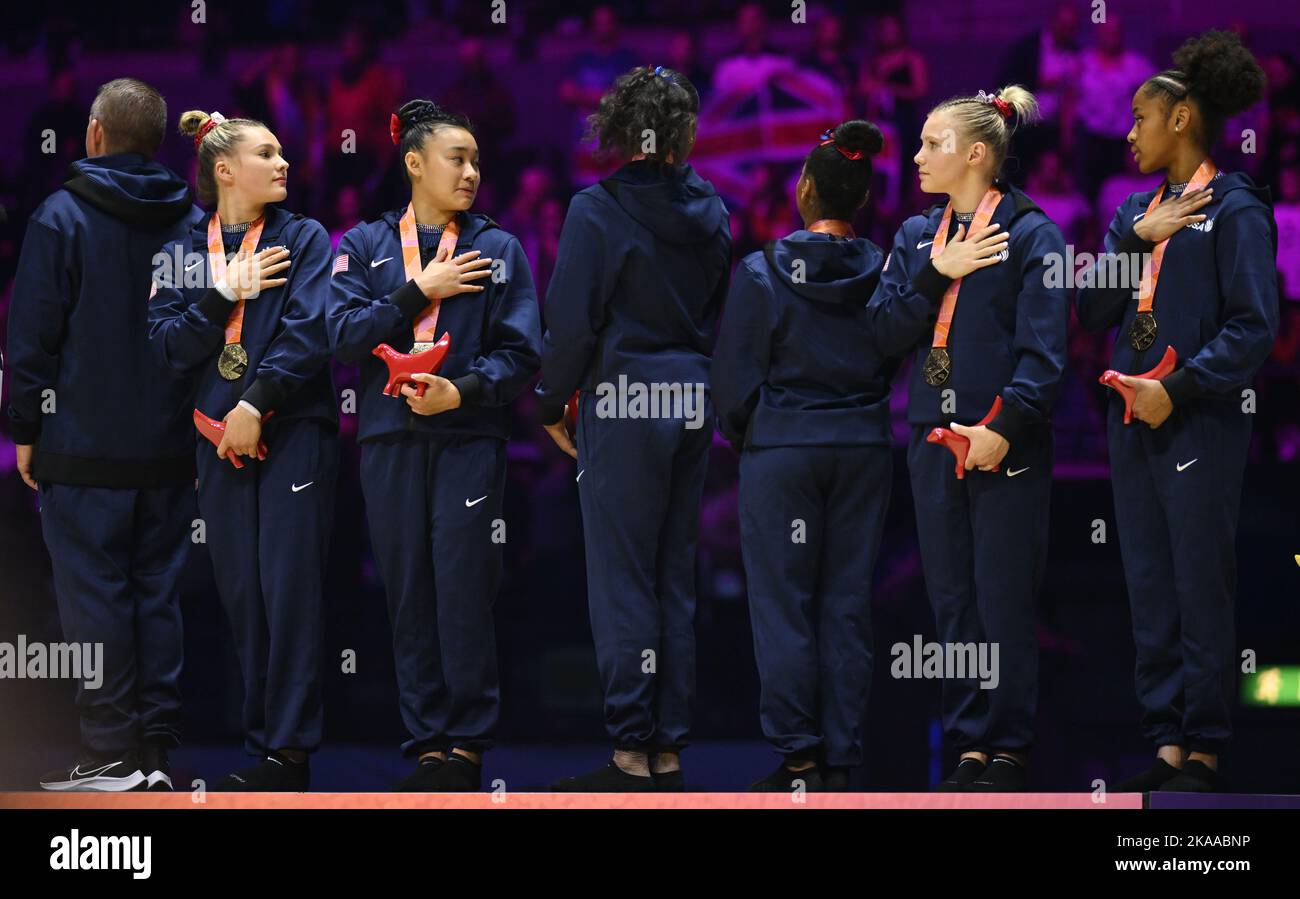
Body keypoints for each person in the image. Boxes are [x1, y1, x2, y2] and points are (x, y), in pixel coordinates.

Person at [1076, 31, 1276, 793]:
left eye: (1140, 119)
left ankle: (1205, 746)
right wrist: (1131, 237)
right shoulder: (1133, 209)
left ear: (1184, 117)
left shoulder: (1236, 211)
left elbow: (1254, 329)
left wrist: (1180, 387)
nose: (1128, 134)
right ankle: (1164, 743)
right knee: (1149, 583)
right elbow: (1093, 308)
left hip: (1197, 423)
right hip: (1131, 422)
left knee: (1198, 583)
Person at [327, 99, 541, 792]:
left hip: (467, 438)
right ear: (414, 163)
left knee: (461, 586)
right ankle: (426, 741)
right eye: (458, 158)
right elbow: (341, 336)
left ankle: (469, 742)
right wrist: (419, 289)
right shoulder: (361, 247)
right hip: (389, 438)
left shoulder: (498, 248)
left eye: (478, 160)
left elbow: (522, 353)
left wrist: (465, 390)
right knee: (407, 588)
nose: (473, 172)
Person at [867, 85, 1069, 791]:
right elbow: (880, 334)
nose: (917, 155)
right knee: (951, 599)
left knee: (1003, 595)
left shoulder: (1033, 232)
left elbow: (1045, 357)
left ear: (976, 154)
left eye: (932, 143)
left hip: (1003, 440)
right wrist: (933, 274)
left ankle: (1009, 747)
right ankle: (969, 746)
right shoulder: (916, 235)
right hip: (930, 437)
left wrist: (1001, 430)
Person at [537, 65, 731, 791]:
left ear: (620, 127)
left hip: (622, 399)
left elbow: (572, 321)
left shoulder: (596, 209)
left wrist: (551, 402)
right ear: (682, 130)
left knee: (623, 579)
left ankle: (629, 751)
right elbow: (716, 306)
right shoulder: (715, 208)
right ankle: (668, 747)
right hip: (690, 397)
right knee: (672, 574)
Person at [8, 78, 201, 791]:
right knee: (157, 596)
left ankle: (113, 753)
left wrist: (24, 426)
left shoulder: (59, 216)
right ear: (153, 143)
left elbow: (30, 339)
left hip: (81, 449)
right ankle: (153, 753)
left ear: (93, 135)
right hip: (168, 449)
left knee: (96, 603)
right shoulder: (190, 222)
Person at [149, 109, 338, 791]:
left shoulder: (305, 236)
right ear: (224, 169)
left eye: (284, 150)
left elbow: (309, 333)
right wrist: (221, 292)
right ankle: (262, 746)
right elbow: (166, 346)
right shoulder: (179, 246)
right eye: (267, 151)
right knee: (242, 594)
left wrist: (256, 403)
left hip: (290, 432)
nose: (284, 160)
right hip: (215, 441)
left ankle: (287, 752)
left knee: (288, 590)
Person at [712, 120, 891, 792]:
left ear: (806, 188)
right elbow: (895, 346)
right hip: (864, 451)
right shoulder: (884, 268)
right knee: (846, 605)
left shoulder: (760, 271)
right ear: (864, 197)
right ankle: (842, 757)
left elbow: (731, 381)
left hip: (782, 452)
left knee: (784, 605)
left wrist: (757, 434)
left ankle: (800, 757)